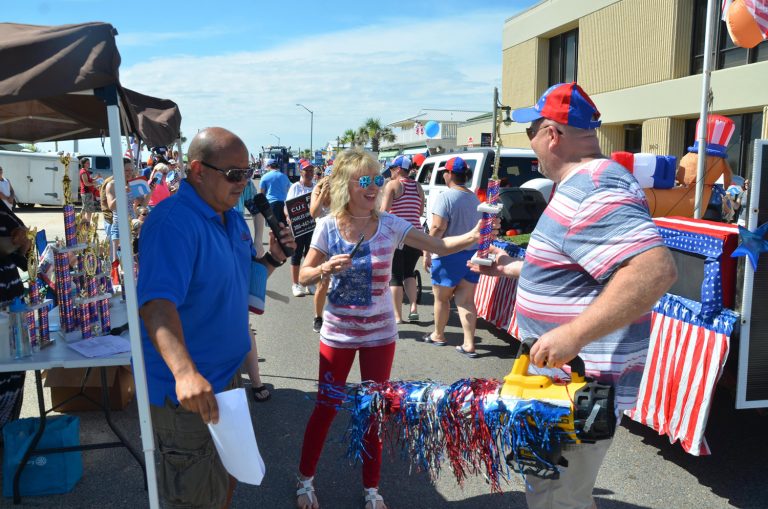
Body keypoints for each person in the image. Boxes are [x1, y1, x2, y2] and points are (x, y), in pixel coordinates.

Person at [469, 82, 677, 509]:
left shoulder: (594, 186)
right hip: (557, 382)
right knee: (546, 486)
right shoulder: (582, 185)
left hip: (579, 388)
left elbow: (654, 270)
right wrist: (512, 269)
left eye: (532, 133)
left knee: (561, 499)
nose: (531, 145)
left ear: (553, 135)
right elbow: (582, 265)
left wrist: (574, 335)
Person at [295, 148, 495, 509]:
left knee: (374, 411)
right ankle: (305, 481)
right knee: (326, 407)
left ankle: (372, 489)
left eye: (377, 179)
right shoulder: (327, 225)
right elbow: (305, 274)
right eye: (365, 181)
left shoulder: (390, 224)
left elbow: (437, 243)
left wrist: (474, 237)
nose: (374, 187)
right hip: (338, 334)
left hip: (380, 336)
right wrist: (324, 269)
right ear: (345, 184)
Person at [138, 127, 295, 508]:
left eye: (248, 171)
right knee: (191, 495)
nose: (244, 182)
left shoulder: (232, 219)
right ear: (197, 170)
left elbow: (241, 284)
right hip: (188, 390)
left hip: (226, 378)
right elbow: (156, 305)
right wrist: (184, 373)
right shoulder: (172, 222)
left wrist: (273, 258)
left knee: (225, 478)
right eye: (234, 174)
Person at [422, 156, 482, 356]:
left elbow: (438, 227)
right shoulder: (474, 198)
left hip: (447, 255)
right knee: (466, 301)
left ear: (449, 174)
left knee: (442, 299)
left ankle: (438, 334)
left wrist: (427, 250)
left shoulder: (446, 197)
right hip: (471, 255)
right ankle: (469, 344)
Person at [380, 155, 424, 323]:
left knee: (395, 276)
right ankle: (413, 307)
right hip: (415, 235)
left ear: (398, 169)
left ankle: (398, 316)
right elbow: (419, 213)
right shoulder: (418, 186)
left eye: (392, 169)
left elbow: (384, 211)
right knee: (409, 273)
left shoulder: (393, 185)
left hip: (397, 236)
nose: (390, 172)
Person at [0, 200, 30, 443]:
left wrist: (22, 245)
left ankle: (7, 438)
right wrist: (14, 243)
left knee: (14, 369)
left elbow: (20, 251)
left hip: (12, 304)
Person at [307, 165, 333, 332]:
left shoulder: (344, 190)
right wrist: (323, 192)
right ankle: (318, 317)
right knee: (323, 282)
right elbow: (314, 213)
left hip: (341, 236)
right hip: (323, 238)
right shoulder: (317, 189)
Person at [287, 159, 317, 297]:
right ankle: (295, 284)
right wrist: (289, 217)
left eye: (311, 170)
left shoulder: (317, 187)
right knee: (296, 255)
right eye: (306, 170)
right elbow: (287, 207)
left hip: (313, 227)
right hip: (299, 227)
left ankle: (308, 283)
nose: (309, 173)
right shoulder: (295, 187)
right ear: (301, 171)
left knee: (310, 256)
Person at [258, 158, 291, 224]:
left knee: (273, 228)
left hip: (271, 204)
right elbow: (289, 191)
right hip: (283, 204)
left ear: (269, 166)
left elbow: (261, 194)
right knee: (283, 228)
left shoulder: (264, 177)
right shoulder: (284, 176)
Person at [78, 157, 98, 223]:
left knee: (85, 209)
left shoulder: (86, 171)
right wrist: (94, 183)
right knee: (88, 210)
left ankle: (81, 222)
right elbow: (86, 183)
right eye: (87, 163)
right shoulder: (83, 171)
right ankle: (87, 223)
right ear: (83, 164)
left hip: (88, 193)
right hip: (86, 193)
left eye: (89, 163)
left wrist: (96, 178)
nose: (89, 164)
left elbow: (90, 180)